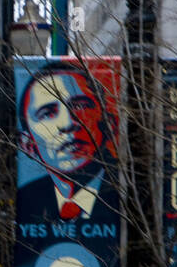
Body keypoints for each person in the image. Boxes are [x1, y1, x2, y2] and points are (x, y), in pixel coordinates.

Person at [18, 61, 118, 224]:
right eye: (47, 114)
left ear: (109, 124)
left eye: (80, 105)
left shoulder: (125, 191)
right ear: (28, 144)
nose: (67, 123)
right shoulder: (27, 200)